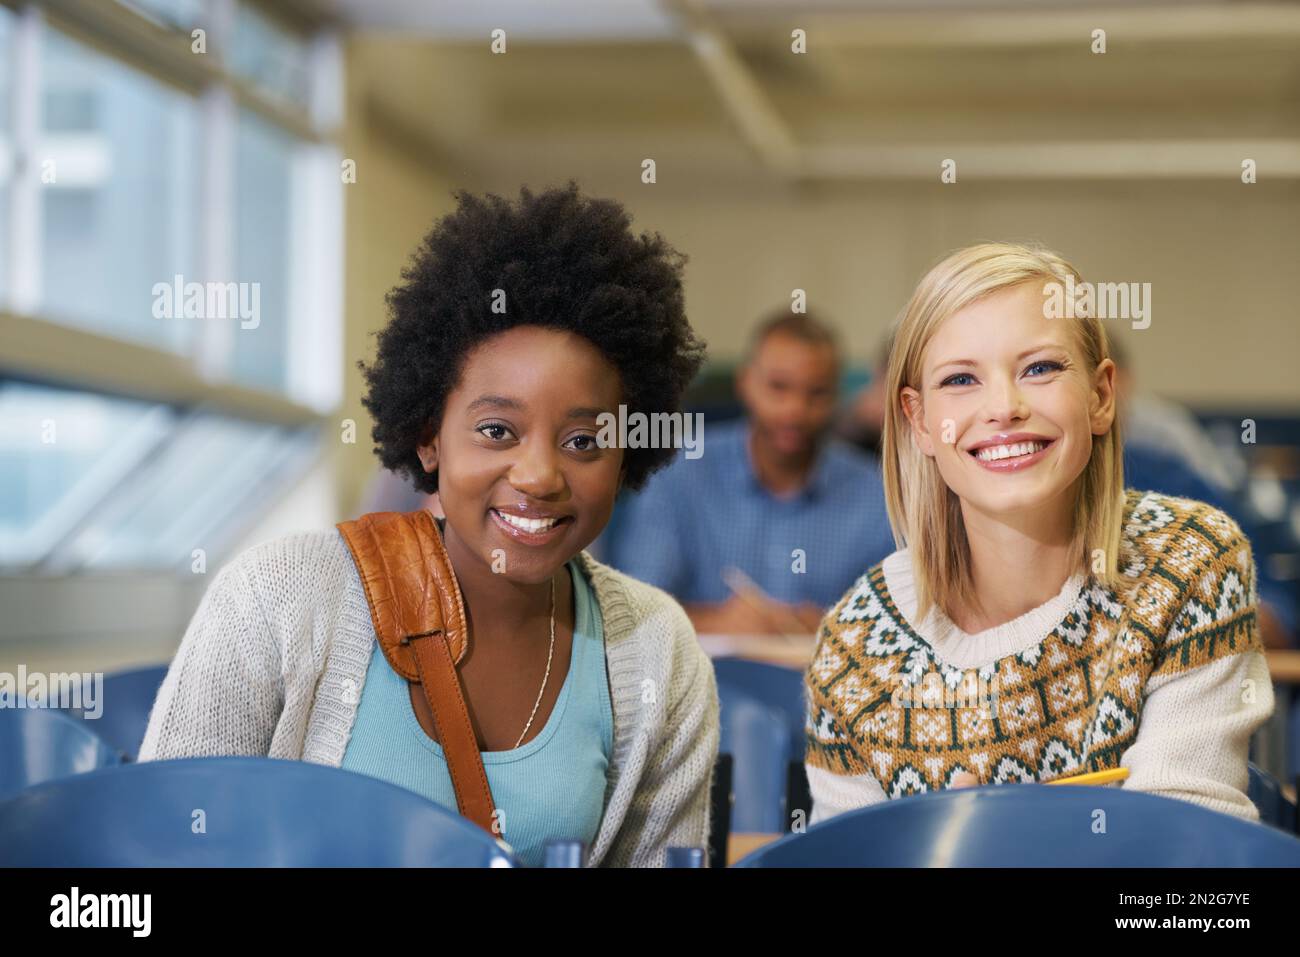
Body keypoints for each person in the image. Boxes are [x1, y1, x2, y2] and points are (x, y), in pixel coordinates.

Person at [140, 182, 719, 867]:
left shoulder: (658, 649)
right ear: (428, 437)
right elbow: (154, 856)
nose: (539, 474)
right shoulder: (278, 597)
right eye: (497, 429)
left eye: (584, 441)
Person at [804, 242, 1273, 823]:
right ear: (920, 421)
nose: (1004, 406)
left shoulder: (1189, 562)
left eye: (1040, 368)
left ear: (1101, 397)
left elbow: (1179, 883)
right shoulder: (854, 646)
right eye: (960, 379)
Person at [610, 311, 896, 635]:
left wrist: (839, 627)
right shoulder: (678, 471)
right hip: (706, 680)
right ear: (745, 382)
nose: (794, 410)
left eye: (816, 393)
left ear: (836, 395)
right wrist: (718, 621)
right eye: (778, 387)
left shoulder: (876, 495)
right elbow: (634, 609)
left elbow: (898, 627)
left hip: (821, 680)